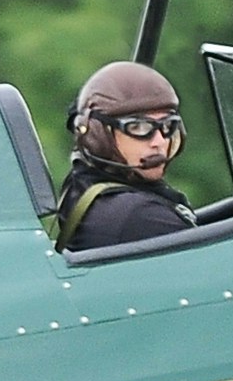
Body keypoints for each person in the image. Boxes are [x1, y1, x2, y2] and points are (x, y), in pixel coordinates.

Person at [49, 60, 196, 249]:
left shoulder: (80, 184)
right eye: (139, 127)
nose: (159, 141)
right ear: (98, 136)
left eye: (167, 125)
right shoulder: (141, 218)